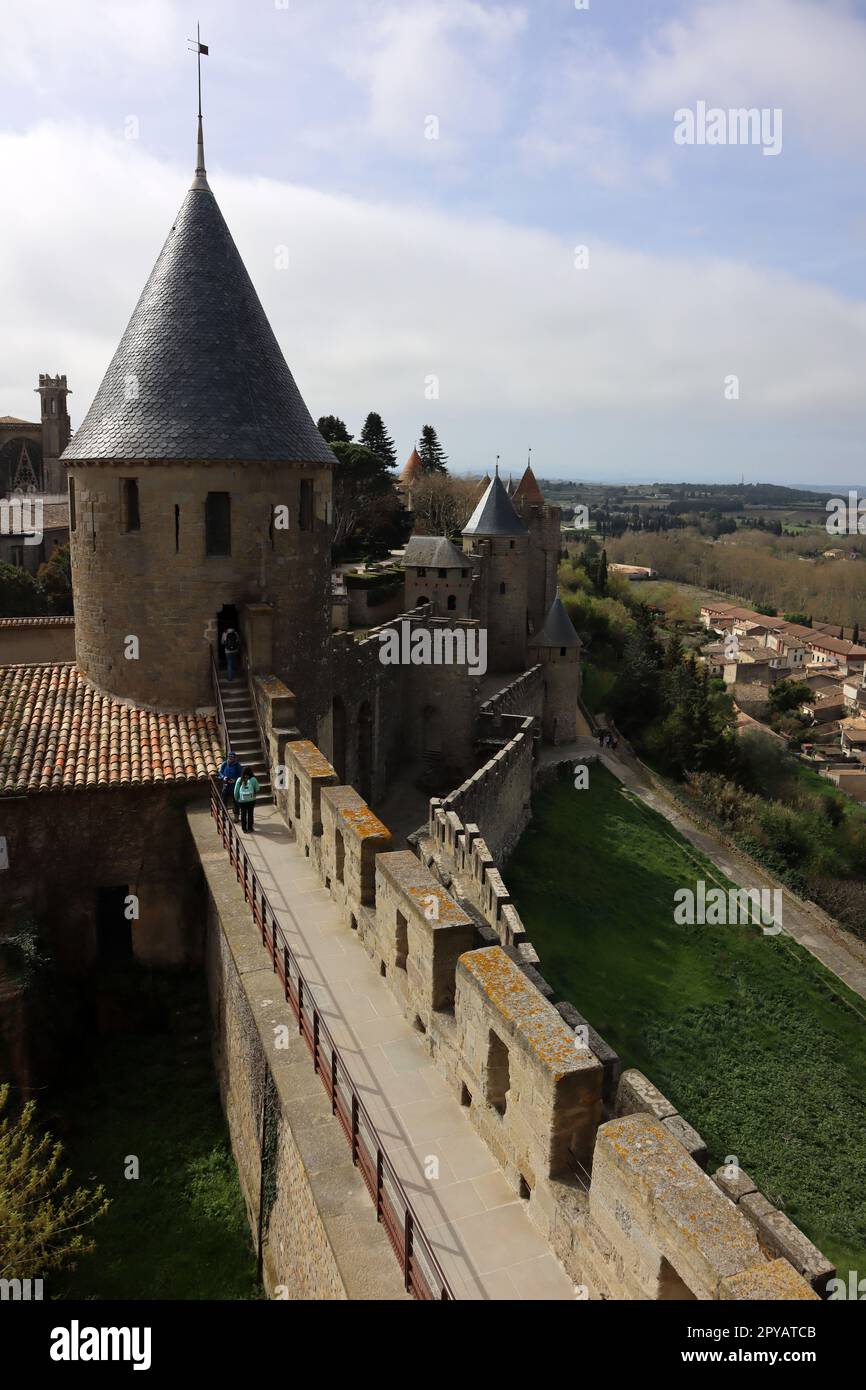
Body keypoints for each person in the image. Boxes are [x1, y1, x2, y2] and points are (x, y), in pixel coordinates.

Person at [234, 767, 260, 833]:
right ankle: (250, 828)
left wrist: (236, 798)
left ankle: (244, 829)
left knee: (243, 814)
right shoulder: (253, 779)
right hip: (251, 800)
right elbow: (257, 789)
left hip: (242, 800)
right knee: (250, 814)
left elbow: (236, 791)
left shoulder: (239, 779)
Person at [218, 750, 241, 821]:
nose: (230, 759)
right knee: (224, 800)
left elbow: (240, 775)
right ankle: (225, 815)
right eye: (229, 757)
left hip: (234, 786)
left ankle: (236, 816)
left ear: (235, 758)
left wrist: (235, 780)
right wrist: (223, 777)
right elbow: (220, 772)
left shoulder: (237, 765)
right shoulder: (224, 764)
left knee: (236, 802)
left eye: (232, 757)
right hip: (226, 785)